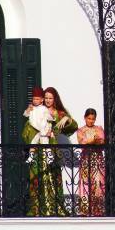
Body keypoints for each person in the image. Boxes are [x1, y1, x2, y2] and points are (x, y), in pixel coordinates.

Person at [22, 86, 78, 216]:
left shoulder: (57, 113)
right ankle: (36, 209)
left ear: (55, 99)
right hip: (37, 150)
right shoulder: (36, 110)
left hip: (51, 149)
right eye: (46, 98)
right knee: (37, 178)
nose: (48, 100)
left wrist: (66, 119)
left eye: (50, 98)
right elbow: (26, 132)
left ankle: (54, 208)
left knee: (52, 178)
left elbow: (74, 126)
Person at [77, 108, 106, 216]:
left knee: (98, 182)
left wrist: (96, 141)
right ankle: (85, 209)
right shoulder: (81, 130)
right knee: (85, 182)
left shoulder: (99, 129)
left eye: (93, 119)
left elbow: (102, 140)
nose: (91, 121)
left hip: (97, 159)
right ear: (85, 118)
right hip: (86, 159)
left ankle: (97, 209)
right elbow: (82, 142)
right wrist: (93, 141)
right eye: (89, 118)